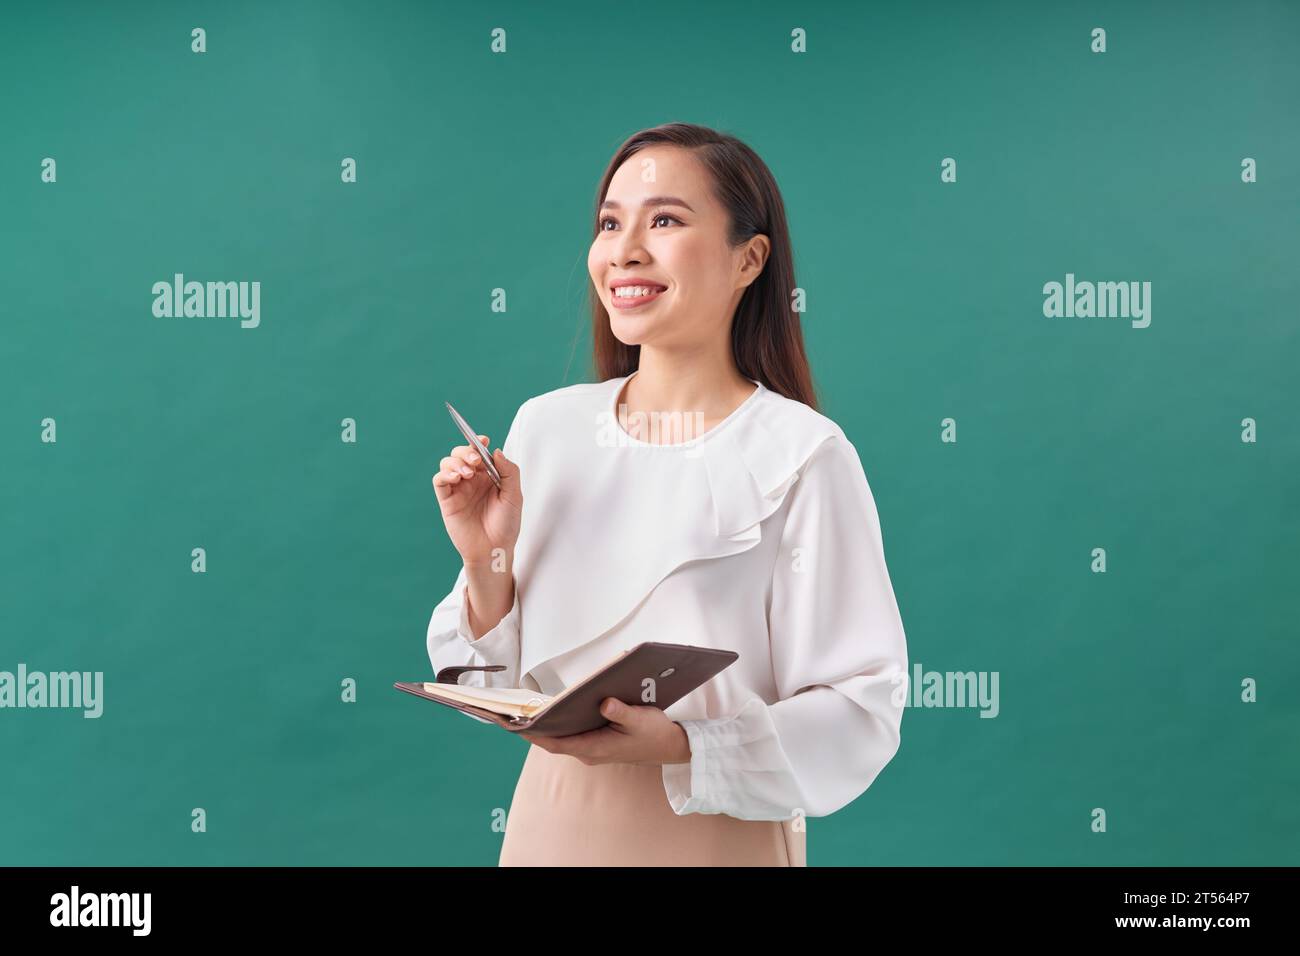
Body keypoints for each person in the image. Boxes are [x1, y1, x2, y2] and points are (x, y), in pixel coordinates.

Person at [427, 122, 909, 866]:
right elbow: (492, 686)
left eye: (665, 220)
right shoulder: (548, 429)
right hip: (548, 828)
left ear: (749, 259)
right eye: (611, 223)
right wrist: (487, 561)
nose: (624, 249)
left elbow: (861, 709)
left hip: (716, 836)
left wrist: (686, 744)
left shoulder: (802, 455)